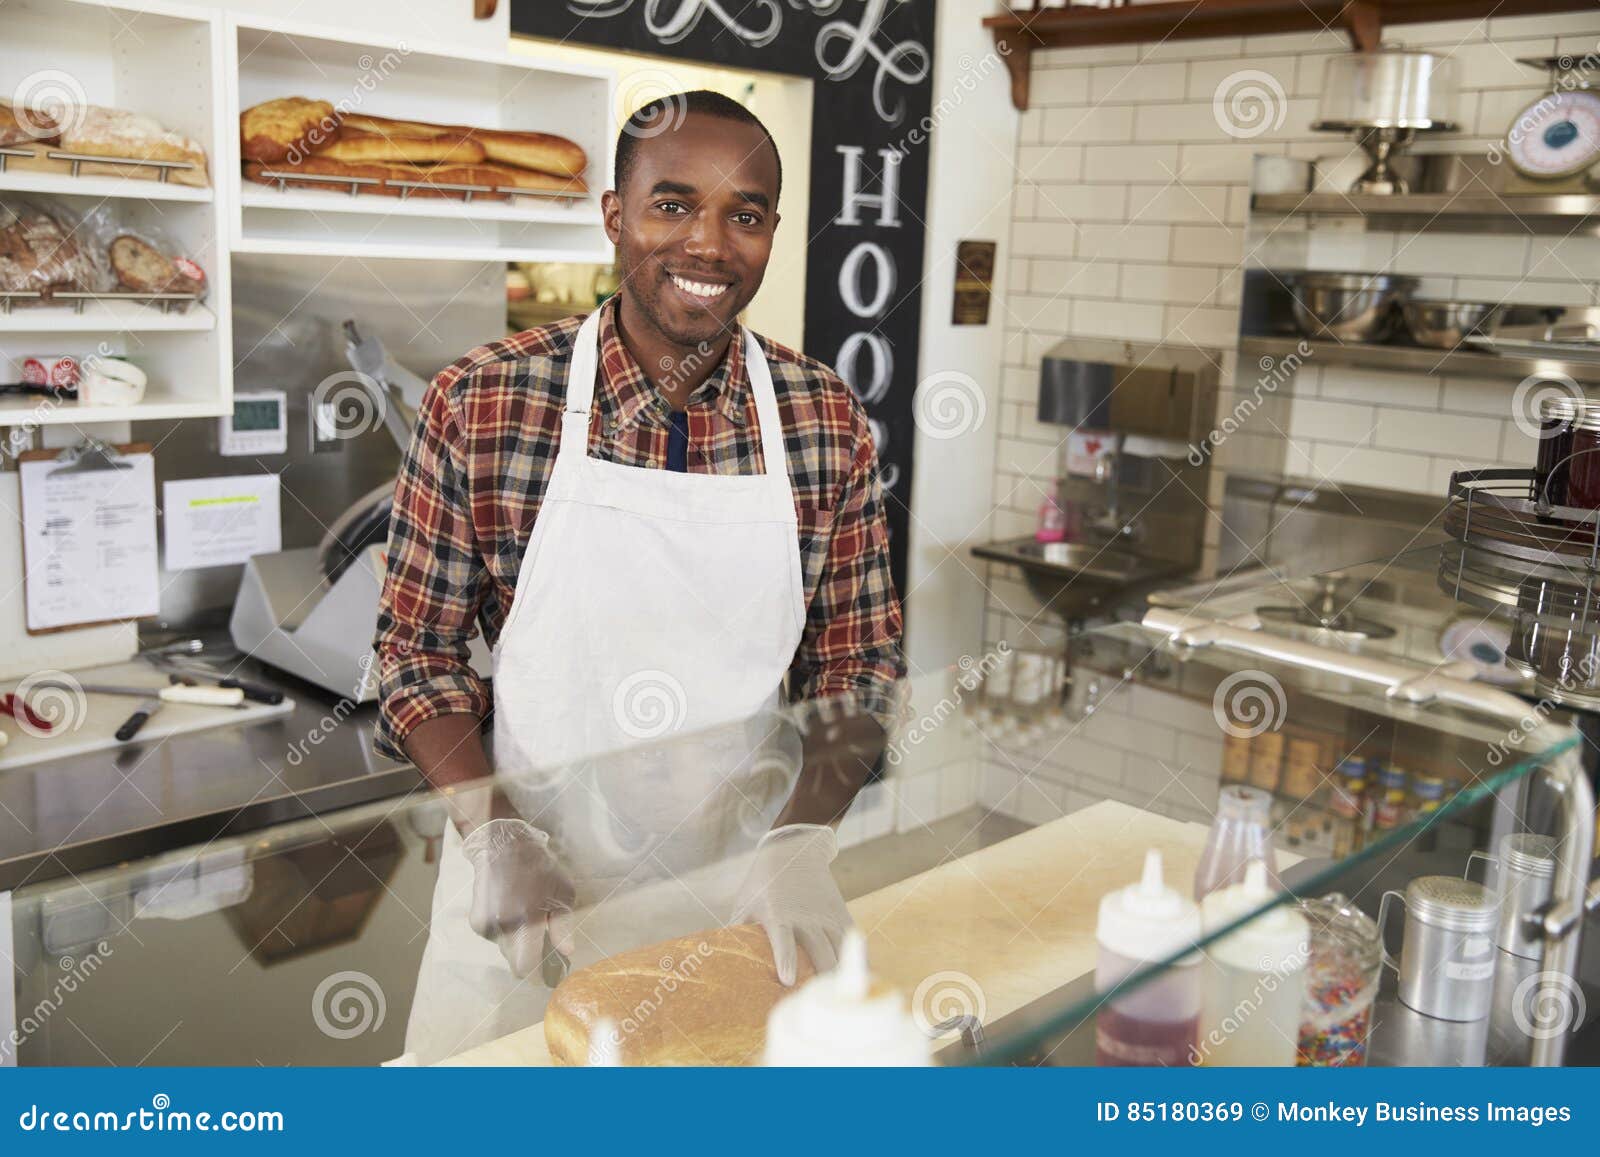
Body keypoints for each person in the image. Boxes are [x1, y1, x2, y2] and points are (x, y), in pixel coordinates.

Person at [372, 90, 905, 1063]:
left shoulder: (823, 418)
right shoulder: (487, 400)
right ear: (614, 215)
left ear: (773, 233)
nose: (708, 243)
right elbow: (415, 658)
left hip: (737, 906)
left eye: (743, 214)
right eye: (672, 204)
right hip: (528, 899)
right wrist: (492, 831)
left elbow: (857, 666)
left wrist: (800, 844)